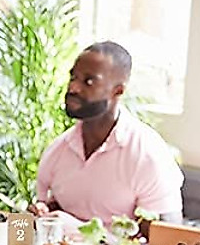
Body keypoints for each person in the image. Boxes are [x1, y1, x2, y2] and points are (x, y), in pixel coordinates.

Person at [32, 41, 183, 233]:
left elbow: (170, 239)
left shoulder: (147, 154)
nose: (73, 88)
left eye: (88, 81)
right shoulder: (57, 150)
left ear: (118, 91)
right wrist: (42, 216)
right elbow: (47, 213)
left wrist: (84, 233)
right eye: (73, 77)